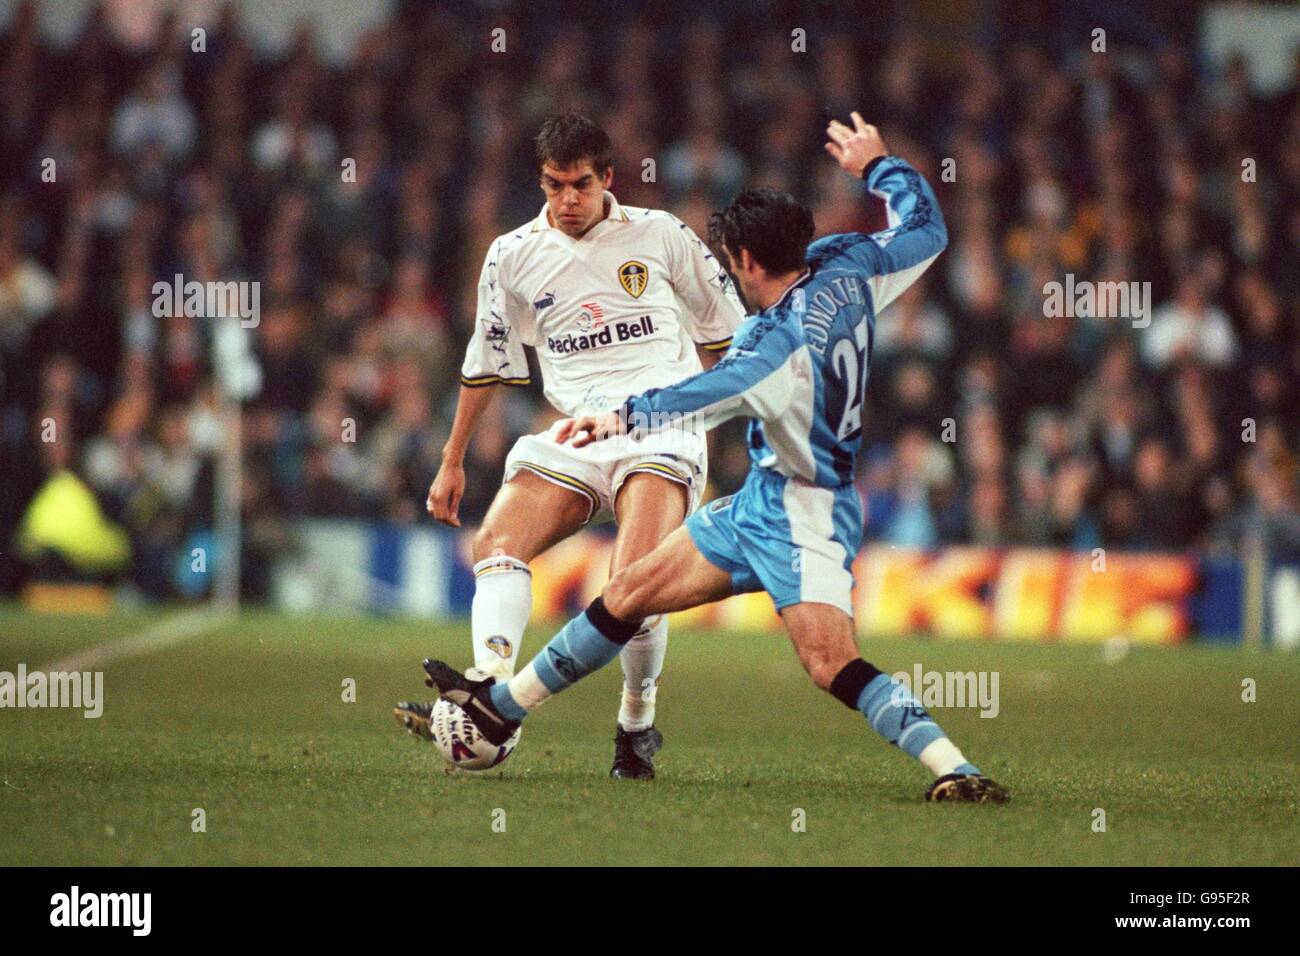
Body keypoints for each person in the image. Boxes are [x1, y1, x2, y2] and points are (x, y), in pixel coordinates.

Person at [409, 114, 1009, 803]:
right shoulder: (854, 266)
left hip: (807, 516)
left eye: (730, 260)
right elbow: (927, 225)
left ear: (747, 263)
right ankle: (500, 708)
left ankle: (954, 767)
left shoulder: (771, 349)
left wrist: (622, 415)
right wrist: (880, 166)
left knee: (829, 663)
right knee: (627, 593)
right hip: (753, 502)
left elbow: (705, 391)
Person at [395, 114, 745, 779]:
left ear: (607, 178)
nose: (567, 200)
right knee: (494, 543)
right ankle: (487, 692)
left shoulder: (662, 235)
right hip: (578, 429)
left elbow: (729, 339)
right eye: (554, 185)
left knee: (632, 584)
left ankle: (635, 726)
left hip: (659, 426)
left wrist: (705, 410)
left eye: (580, 184)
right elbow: (487, 361)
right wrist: (451, 457)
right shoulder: (512, 254)